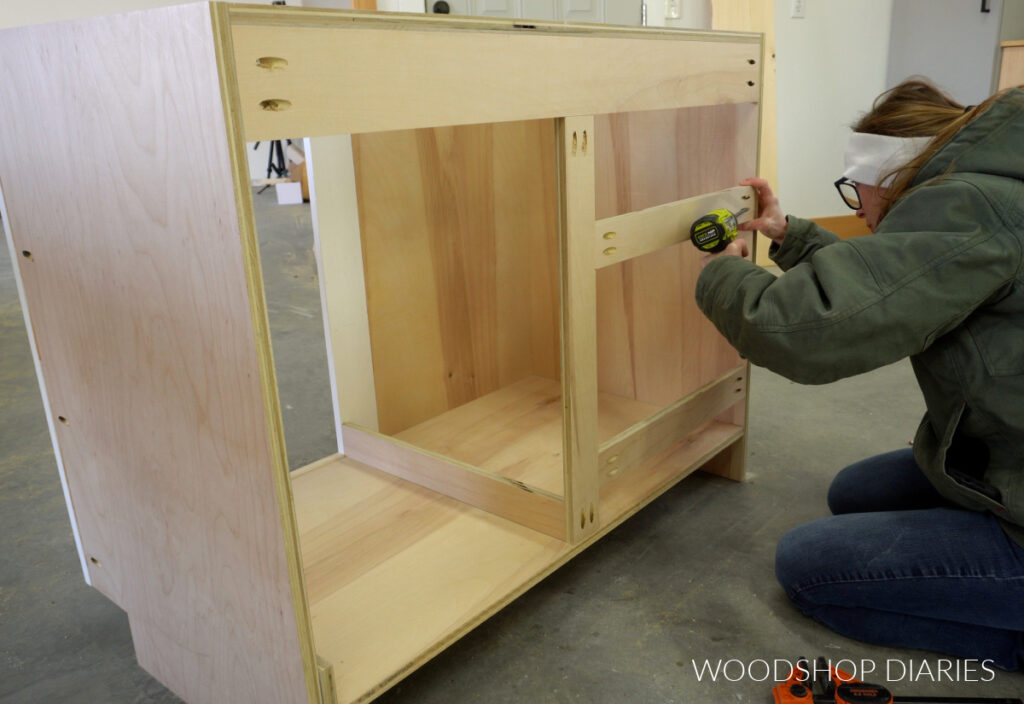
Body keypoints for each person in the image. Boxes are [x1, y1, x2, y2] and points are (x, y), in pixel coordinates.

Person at [695, 79, 1024, 670]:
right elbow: (892, 280)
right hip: (1010, 453)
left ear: (892, 178)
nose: (859, 209)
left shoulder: (971, 206)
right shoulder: (994, 184)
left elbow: (805, 334)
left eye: (856, 193)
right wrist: (788, 234)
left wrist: (720, 274)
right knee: (856, 493)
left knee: (808, 569)